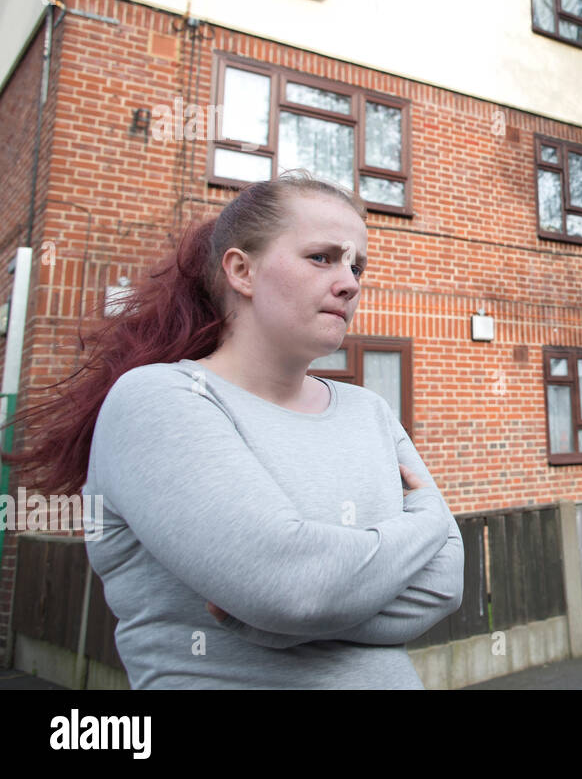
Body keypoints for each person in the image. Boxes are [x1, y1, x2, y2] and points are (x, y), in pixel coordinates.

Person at [2, 171, 462, 688]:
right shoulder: (158, 400)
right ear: (241, 270)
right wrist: (428, 523)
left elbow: (445, 585)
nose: (350, 282)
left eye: (357, 265)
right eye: (322, 257)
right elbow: (289, 587)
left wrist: (285, 625)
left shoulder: (368, 410)